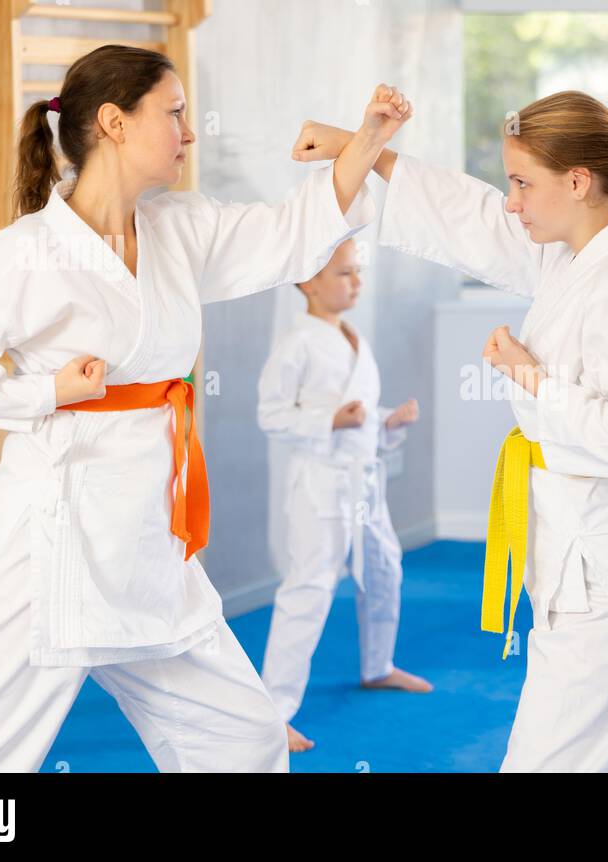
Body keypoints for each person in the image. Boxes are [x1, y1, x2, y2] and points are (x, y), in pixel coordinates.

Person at [0, 43, 409, 770]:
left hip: (150, 545)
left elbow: (291, 237)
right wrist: (44, 391)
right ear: (113, 123)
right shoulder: (26, 251)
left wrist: (370, 140)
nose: (190, 133)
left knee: (243, 740)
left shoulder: (179, 229)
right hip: (48, 549)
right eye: (175, 114)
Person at [295, 90, 608, 772]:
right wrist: (365, 150)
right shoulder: (577, 251)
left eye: (522, 184)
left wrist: (533, 377)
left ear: (576, 182)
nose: (511, 200)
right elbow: (474, 221)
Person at [257, 238, 431, 754]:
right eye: (345, 274)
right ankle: (273, 714)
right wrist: (328, 420)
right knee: (308, 589)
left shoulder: (353, 336)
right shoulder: (297, 343)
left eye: (358, 272)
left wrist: (385, 422)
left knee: (384, 569)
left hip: (363, 480)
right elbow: (272, 414)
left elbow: (358, 417)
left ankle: (378, 666)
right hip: (319, 484)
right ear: (308, 283)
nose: (357, 282)